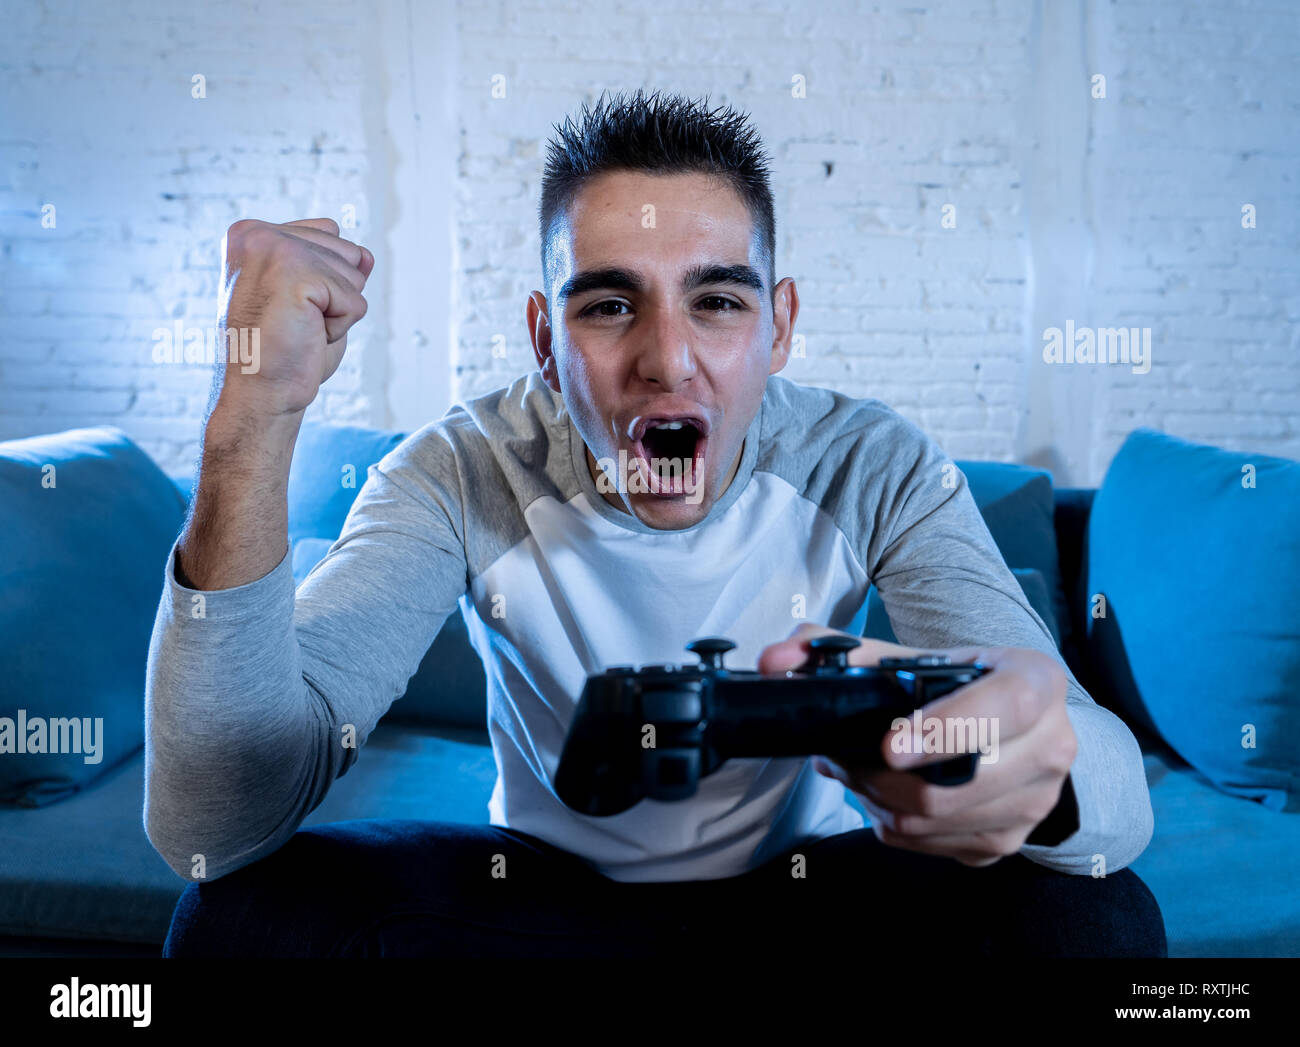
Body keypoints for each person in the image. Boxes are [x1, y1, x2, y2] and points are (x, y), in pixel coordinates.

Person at [147, 89, 1165, 958]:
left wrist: (1049, 773)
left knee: (1093, 913)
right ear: (544, 340)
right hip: (543, 905)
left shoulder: (869, 461)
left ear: (780, 327)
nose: (667, 360)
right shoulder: (459, 467)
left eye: (717, 301)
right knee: (241, 921)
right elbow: (211, 826)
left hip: (805, 897)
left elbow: (1113, 815)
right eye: (608, 306)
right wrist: (252, 418)